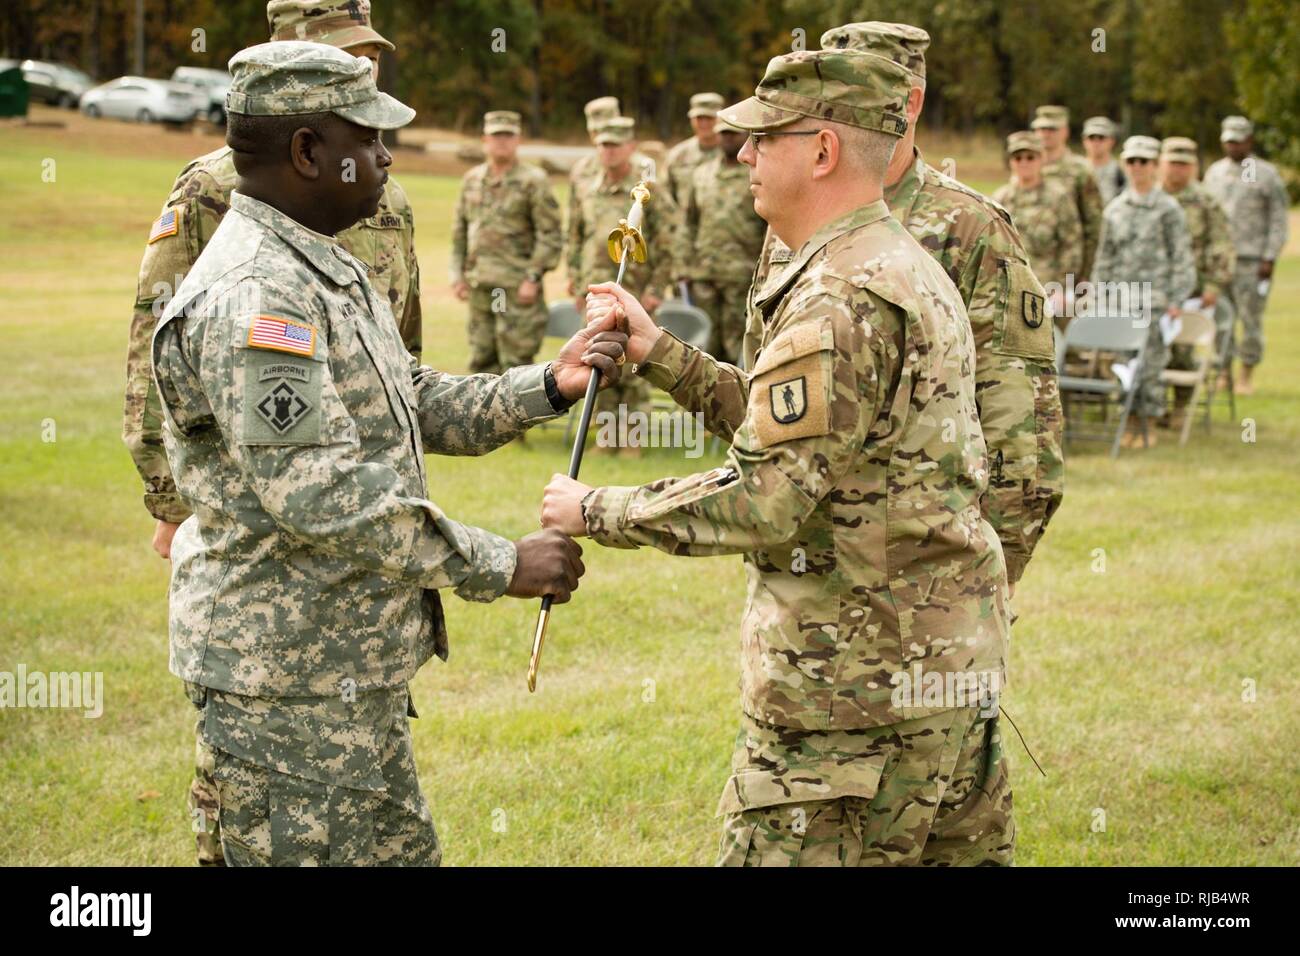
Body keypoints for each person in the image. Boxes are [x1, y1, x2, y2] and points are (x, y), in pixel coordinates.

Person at [151, 41, 627, 866]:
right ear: (308, 152)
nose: (385, 155)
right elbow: (323, 493)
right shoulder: (258, 295)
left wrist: (551, 382)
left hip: (340, 673)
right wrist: (501, 561)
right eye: (367, 136)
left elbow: (412, 397)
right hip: (283, 692)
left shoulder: (323, 266)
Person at [543, 46, 1013, 867]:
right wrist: (660, 351)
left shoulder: (838, 296)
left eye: (764, 138)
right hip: (942, 677)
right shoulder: (898, 266)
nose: (743, 155)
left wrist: (597, 510)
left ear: (823, 151)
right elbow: (818, 446)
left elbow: (768, 499)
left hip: (848, 706)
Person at [121, 0, 419, 867]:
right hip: (275, 547)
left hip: (361, 560)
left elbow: (400, 345)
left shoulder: (375, 193)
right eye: (345, 60)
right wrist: (169, 498)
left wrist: (531, 391)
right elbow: (157, 345)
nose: (366, 78)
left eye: (370, 58)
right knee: (268, 807)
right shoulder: (222, 199)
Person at [756, 21, 1062, 590]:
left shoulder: (973, 230)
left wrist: (985, 583)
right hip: (807, 572)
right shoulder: (793, 220)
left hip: (920, 586)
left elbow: (1020, 431)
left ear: (910, 100)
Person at [565, 116, 677, 455]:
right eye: (603, 144)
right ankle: (605, 435)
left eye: (615, 145)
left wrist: (657, 288)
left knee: (634, 360)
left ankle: (632, 437)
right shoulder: (589, 185)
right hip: (596, 290)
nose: (608, 151)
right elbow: (576, 234)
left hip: (635, 289)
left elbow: (670, 242)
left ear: (630, 148)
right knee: (598, 356)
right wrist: (573, 277)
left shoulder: (646, 192)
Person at [1091, 135, 1195, 447]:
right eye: (1132, 162)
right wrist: (1099, 295)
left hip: (1155, 301)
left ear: (1154, 166)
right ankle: (1129, 421)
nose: (1138, 167)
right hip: (1120, 300)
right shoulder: (1115, 209)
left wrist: (1177, 299)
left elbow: (1182, 257)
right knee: (1123, 364)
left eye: (1144, 162)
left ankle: (1148, 423)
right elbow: (1104, 257)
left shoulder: (1168, 209)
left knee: (1150, 363)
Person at [451, 110, 562, 374]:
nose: (502, 141)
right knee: (482, 362)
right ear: (484, 139)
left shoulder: (533, 181)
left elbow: (551, 235)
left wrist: (532, 277)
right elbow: (460, 232)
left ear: (518, 139)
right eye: (496, 135)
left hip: (516, 290)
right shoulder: (472, 180)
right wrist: (457, 275)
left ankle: (519, 418)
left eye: (508, 136)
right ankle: (485, 418)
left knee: (517, 367)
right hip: (481, 288)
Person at [1203, 115, 1290, 395]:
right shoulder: (1214, 172)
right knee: (1220, 320)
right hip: (1219, 261)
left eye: (1238, 142)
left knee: (1250, 319)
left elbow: (1278, 219)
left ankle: (1246, 374)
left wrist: (1270, 256)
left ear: (1249, 141)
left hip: (1251, 259)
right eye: (1228, 142)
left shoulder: (1266, 174)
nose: (1233, 147)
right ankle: (1222, 373)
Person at [673, 117, 766, 363]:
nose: (728, 139)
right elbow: (688, 223)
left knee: (739, 346)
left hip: (741, 276)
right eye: (724, 134)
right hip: (704, 275)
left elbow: (768, 226)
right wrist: (682, 266)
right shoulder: (701, 174)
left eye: (734, 134)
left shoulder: (757, 175)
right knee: (703, 346)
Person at [1159, 136, 1236, 427]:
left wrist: (1214, 286)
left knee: (1181, 348)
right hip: (1153, 288)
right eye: (1172, 162)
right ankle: (1146, 407)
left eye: (1183, 164)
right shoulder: (1151, 197)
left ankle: (1180, 406)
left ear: (1192, 167)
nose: (1177, 169)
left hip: (1192, 290)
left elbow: (1222, 245)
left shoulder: (1205, 202)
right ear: (1162, 164)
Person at [993, 131, 1083, 325]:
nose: (1024, 162)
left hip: (1050, 290)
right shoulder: (1000, 200)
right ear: (1010, 162)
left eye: (1030, 157)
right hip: (1011, 290)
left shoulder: (1058, 197)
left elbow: (1071, 245)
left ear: (1041, 159)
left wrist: (1062, 288)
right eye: (1018, 158)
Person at [1034, 104, 1103, 280]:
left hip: (1069, 264)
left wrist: (1085, 274)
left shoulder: (1080, 170)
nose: (1045, 134)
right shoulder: (1027, 166)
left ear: (1064, 131)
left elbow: (1093, 226)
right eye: (1041, 128)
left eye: (1051, 129)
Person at [663, 92, 723, 205]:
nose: (704, 123)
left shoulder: (733, 153)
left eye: (709, 117)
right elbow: (667, 197)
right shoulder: (677, 155)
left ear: (720, 118)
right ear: (691, 119)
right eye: (699, 118)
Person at [1082, 116, 1126, 206]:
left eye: (1101, 138)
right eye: (1091, 137)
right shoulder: (1075, 170)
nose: (1096, 142)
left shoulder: (1121, 171)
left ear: (1112, 141)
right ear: (1084, 141)